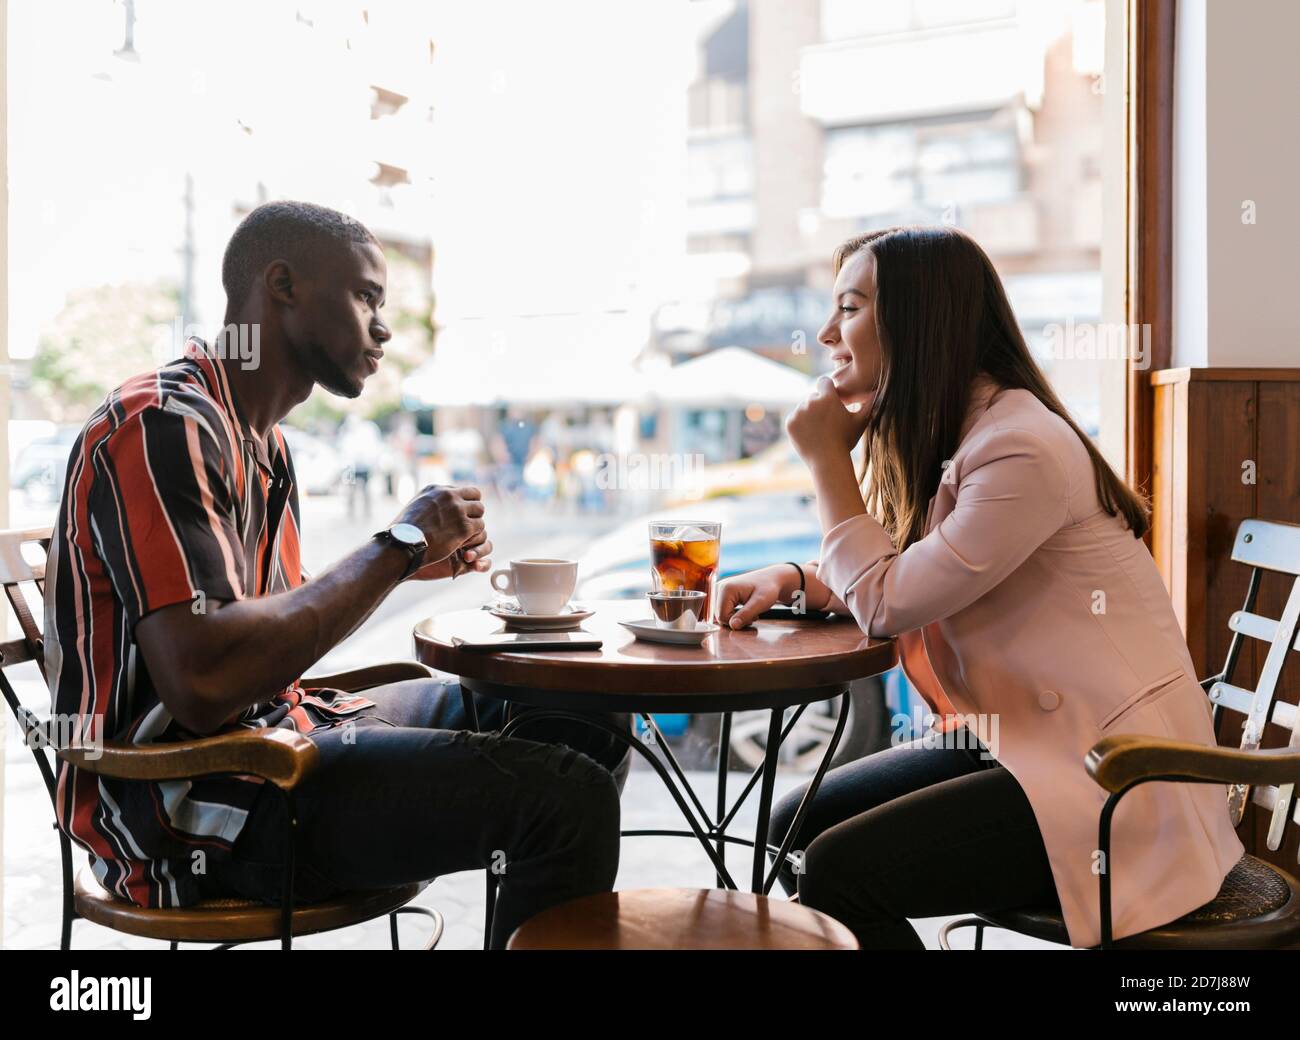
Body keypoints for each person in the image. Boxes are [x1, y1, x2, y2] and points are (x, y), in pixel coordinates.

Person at [44, 201, 630, 949]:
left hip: (279, 736)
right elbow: (204, 682)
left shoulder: (262, 443)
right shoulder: (165, 424)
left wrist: (399, 569)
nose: (383, 327)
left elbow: (255, 621)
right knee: (563, 798)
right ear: (281, 285)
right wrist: (400, 543)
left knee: (579, 717)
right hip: (190, 804)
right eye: (365, 297)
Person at [717, 225, 1244, 950]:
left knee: (837, 870)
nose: (825, 330)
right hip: (1031, 743)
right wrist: (795, 580)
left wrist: (825, 464)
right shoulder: (971, 430)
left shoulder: (1019, 447)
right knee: (791, 830)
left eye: (850, 307)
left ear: (918, 321)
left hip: (1115, 777)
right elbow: (922, 572)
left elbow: (888, 603)